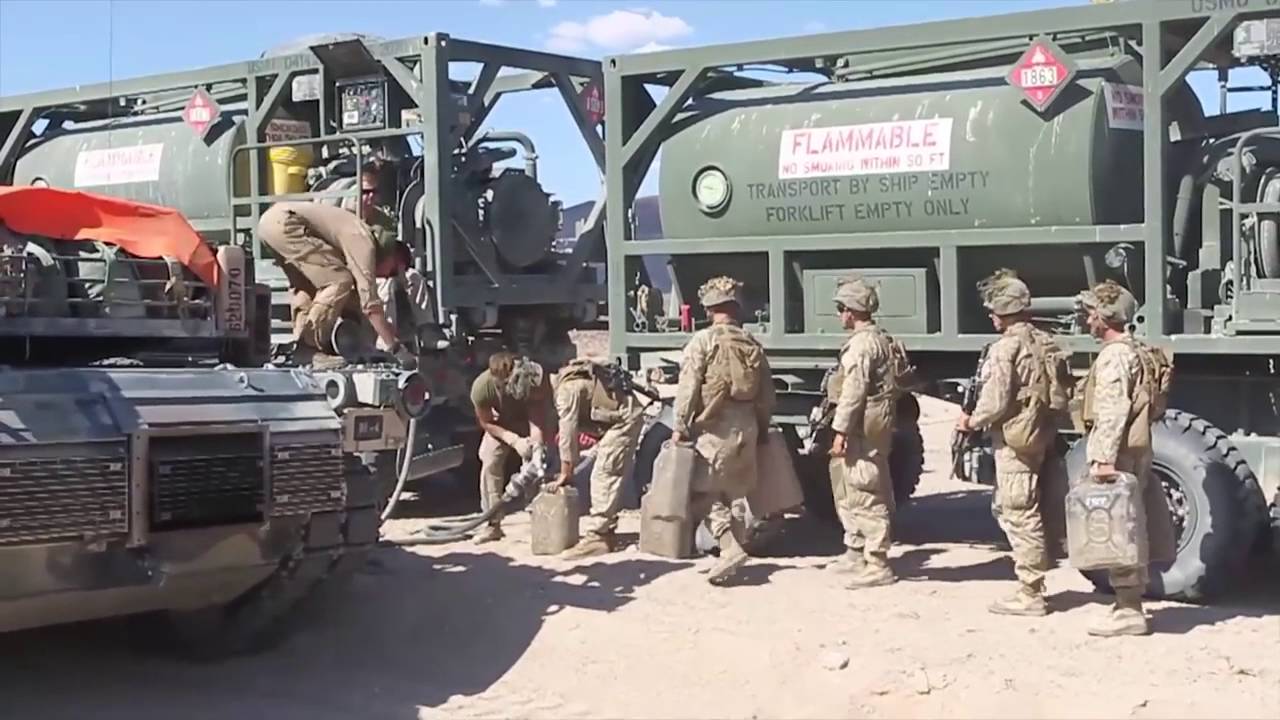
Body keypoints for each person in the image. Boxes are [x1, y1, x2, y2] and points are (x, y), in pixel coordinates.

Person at [957, 269, 1063, 616]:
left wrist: (971, 422)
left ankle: (1030, 592)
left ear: (1003, 313)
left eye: (994, 311)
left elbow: (996, 400)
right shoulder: (1044, 340)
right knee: (1030, 504)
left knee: (1018, 510)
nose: (991, 316)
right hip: (1040, 431)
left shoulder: (1006, 348)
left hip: (1016, 438)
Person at [1077, 279, 1178, 637]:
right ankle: (1129, 604)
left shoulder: (1115, 356)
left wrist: (1103, 458)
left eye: (1091, 313)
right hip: (1136, 449)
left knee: (1118, 528)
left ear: (1105, 317)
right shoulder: (1138, 350)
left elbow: (1112, 410)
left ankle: (1128, 610)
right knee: (1131, 523)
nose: (1087, 319)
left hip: (1118, 452)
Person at [257, 161, 414, 369]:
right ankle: (307, 349)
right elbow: (370, 305)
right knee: (340, 280)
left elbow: (355, 302)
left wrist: (365, 346)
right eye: (392, 270)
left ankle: (303, 346)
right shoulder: (363, 241)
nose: (386, 276)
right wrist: (394, 347)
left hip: (270, 221)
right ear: (389, 255)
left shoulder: (351, 238)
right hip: (288, 223)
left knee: (309, 288)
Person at [671, 276, 775, 585]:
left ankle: (729, 549)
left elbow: (688, 388)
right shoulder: (751, 343)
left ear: (709, 307)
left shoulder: (703, 342)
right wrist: (763, 427)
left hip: (715, 428)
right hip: (748, 426)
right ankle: (736, 550)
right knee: (737, 493)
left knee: (703, 493)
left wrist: (679, 426)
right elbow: (767, 395)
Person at [824, 277, 909, 589]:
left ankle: (877, 562)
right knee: (853, 485)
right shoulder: (881, 338)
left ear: (851, 311)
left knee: (865, 488)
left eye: (841, 309)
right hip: (876, 421)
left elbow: (853, 391)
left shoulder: (862, 345)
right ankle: (856, 550)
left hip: (862, 424)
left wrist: (840, 430)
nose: (839, 316)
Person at [551, 359, 646, 559]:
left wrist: (565, 472)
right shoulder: (570, 381)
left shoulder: (565, 392)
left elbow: (567, 434)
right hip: (619, 416)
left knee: (603, 473)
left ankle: (598, 537)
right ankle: (607, 532)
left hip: (625, 420)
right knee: (604, 471)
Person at [470, 350, 555, 543]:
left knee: (538, 465)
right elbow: (485, 422)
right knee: (489, 461)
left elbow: (537, 415)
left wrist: (537, 445)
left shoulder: (531, 377)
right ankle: (492, 524)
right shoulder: (481, 388)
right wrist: (513, 440)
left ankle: (540, 521)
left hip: (529, 422)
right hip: (501, 425)